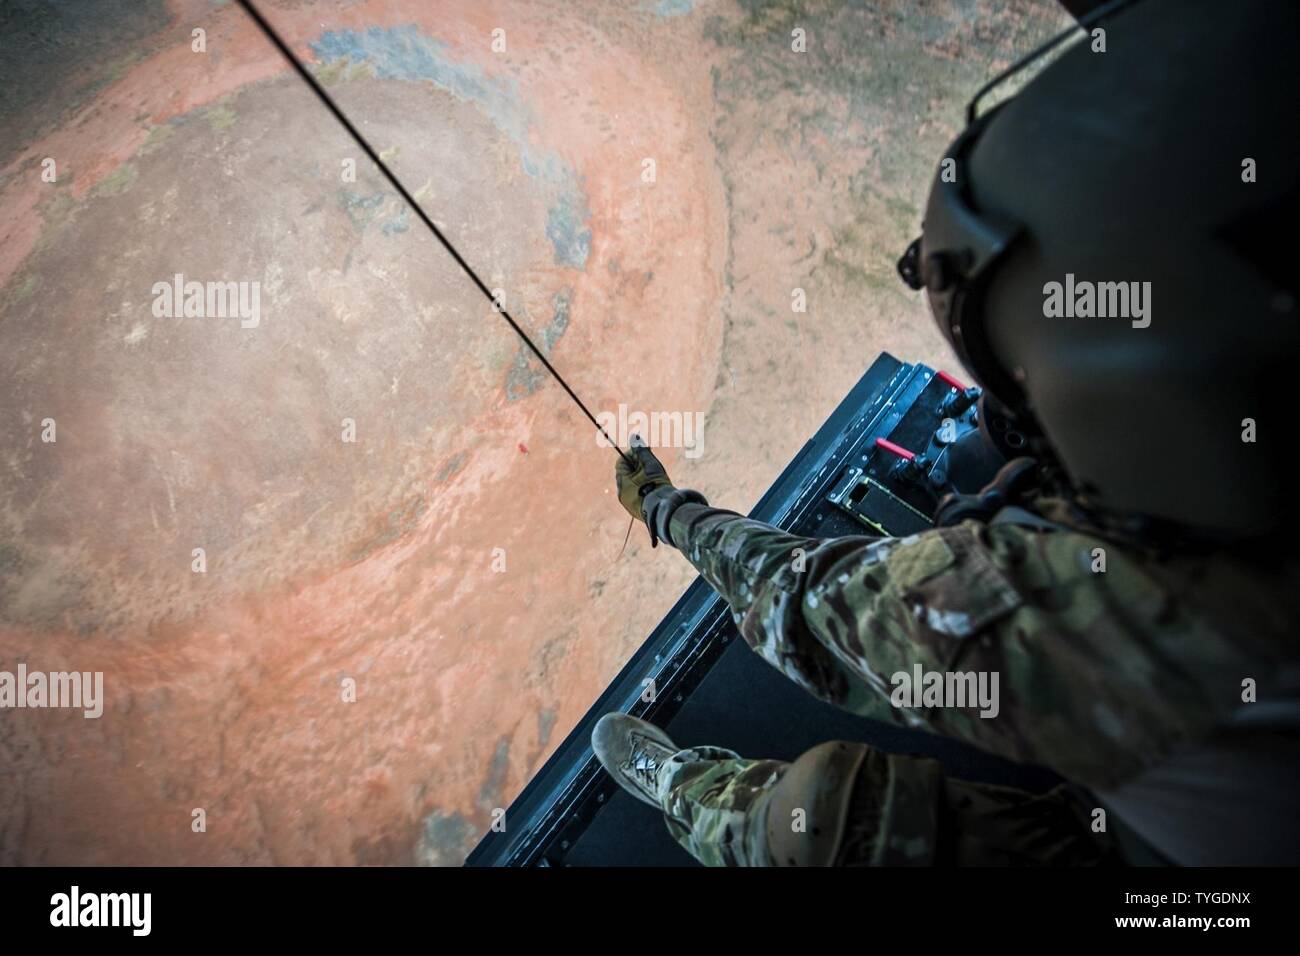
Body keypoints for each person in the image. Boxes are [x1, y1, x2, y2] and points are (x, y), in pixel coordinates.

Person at [591, 0, 1300, 866]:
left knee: (829, 822)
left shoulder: (1102, 613)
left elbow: (802, 610)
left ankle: (690, 796)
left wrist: (667, 510)